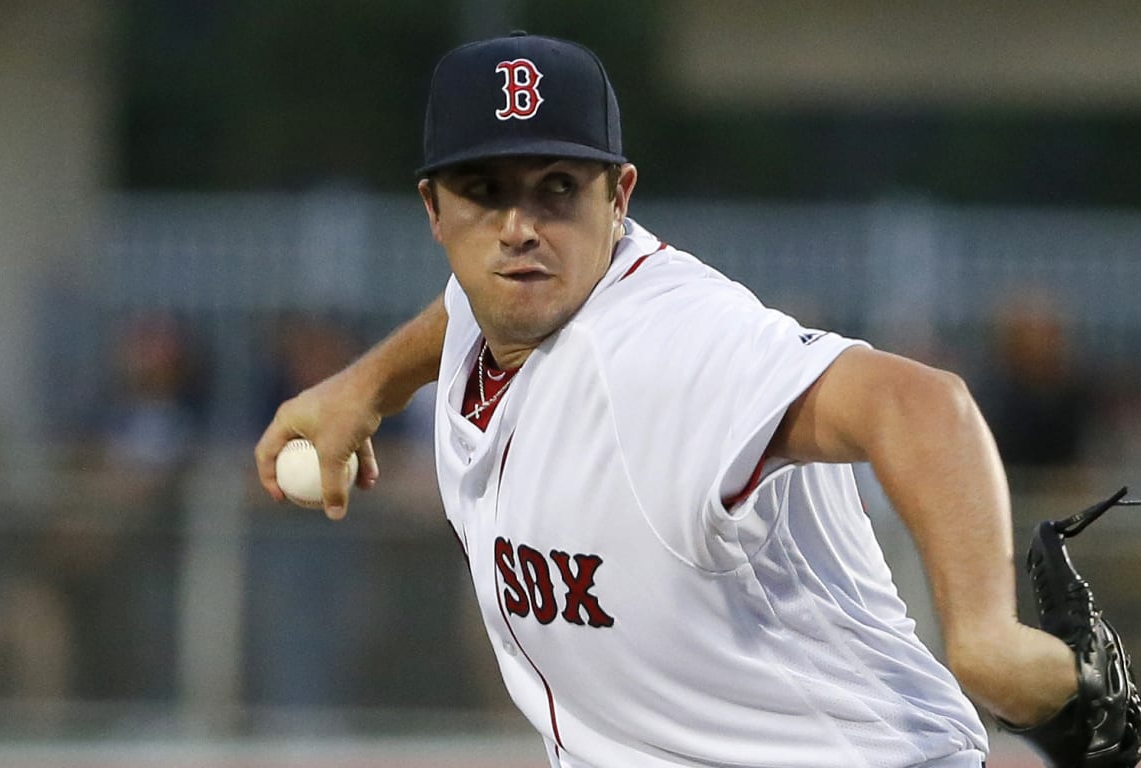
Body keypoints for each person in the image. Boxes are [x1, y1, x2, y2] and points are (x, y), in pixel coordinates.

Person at [256, 32, 1079, 768]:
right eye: (484, 189)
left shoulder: (670, 349)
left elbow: (919, 403)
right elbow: (462, 310)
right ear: (434, 210)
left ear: (619, 199)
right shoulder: (510, 291)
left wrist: (984, 638)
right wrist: (364, 386)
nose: (518, 227)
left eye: (557, 188)